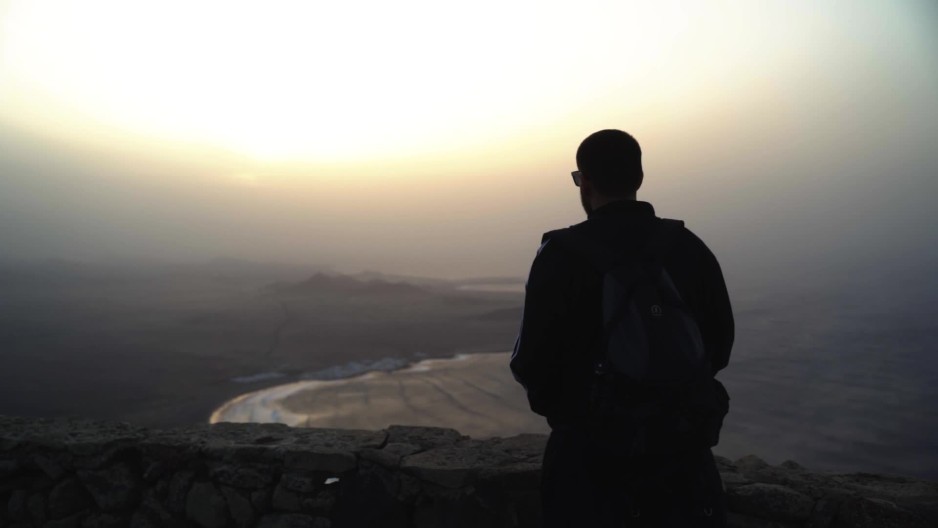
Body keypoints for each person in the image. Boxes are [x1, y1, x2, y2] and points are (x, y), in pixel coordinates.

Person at [510, 129, 734, 527]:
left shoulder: (560, 255)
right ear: (639, 178)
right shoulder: (688, 247)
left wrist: (580, 412)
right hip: (682, 462)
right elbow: (719, 346)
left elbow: (532, 362)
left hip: (588, 465)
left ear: (586, 181)